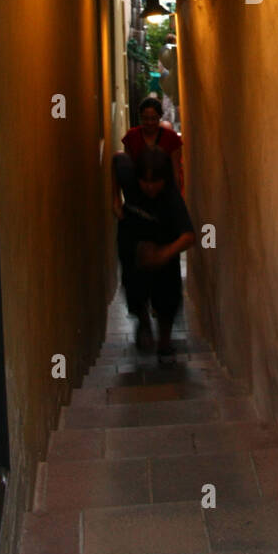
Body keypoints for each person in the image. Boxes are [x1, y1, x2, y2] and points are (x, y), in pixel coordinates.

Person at [114, 146, 196, 360]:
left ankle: (165, 341)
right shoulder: (129, 176)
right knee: (134, 287)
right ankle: (143, 321)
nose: (150, 187)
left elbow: (189, 236)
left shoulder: (171, 198)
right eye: (145, 181)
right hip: (132, 241)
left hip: (164, 246)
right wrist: (115, 199)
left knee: (168, 294)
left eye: (155, 181)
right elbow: (116, 159)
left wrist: (163, 254)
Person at [118, 94, 184, 195]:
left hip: (165, 193)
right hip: (139, 192)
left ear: (159, 117)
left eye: (153, 118)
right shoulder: (132, 136)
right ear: (140, 117)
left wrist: (177, 197)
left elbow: (176, 171)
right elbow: (129, 168)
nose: (149, 122)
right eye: (145, 118)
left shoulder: (171, 138)